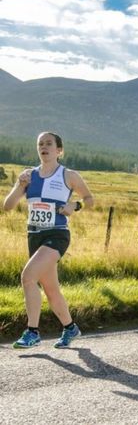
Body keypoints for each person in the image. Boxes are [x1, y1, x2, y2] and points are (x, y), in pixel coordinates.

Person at [5, 132, 94, 349]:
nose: (44, 147)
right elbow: (7, 206)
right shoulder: (29, 176)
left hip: (57, 234)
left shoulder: (68, 175)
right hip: (34, 236)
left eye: (49, 144)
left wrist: (75, 206)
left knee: (28, 277)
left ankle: (32, 332)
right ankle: (70, 327)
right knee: (51, 289)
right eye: (40, 144)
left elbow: (89, 199)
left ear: (59, 150)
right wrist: (19, 185)